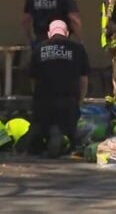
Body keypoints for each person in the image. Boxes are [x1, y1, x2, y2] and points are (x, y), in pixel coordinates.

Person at [25, 20, 90, 158]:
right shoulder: (78, 49)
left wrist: (36, 97)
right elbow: (83, 80)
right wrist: (80, 101)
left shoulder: (38, 49)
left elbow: (32, 80)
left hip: (43, 103)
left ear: (49, 34)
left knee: (36, 139)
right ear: (67, 33)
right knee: (73, 134)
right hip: (68, 102)